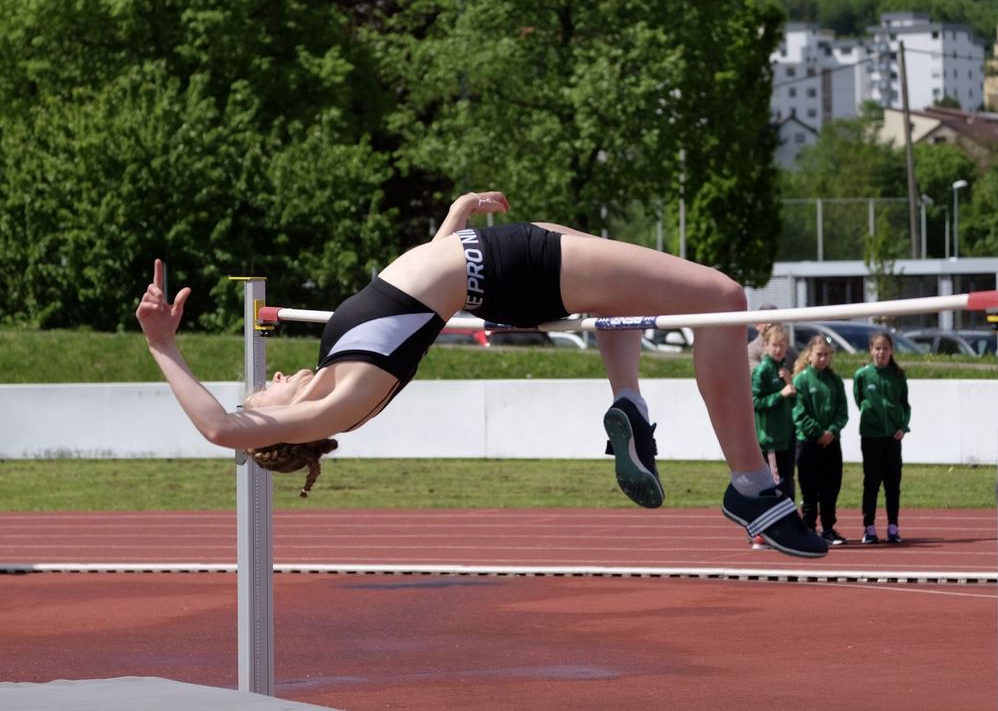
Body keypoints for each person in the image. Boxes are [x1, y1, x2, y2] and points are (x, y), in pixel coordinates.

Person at [135, 191, 828, 558]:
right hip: (502, 269)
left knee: (624, 291)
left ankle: (630, 406)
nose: (271, 375)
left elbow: (413, 297)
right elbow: (220, 425)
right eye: (262, 390)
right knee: (722, 297)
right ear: (274, 427)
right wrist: (164, 346)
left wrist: (449, 225)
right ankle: (753, 489)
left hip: (484, 263)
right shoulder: (342, 403)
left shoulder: (337, 365)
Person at [852, 331, 911, 545]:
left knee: (893, 484)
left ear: (891, 350)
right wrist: (873, 418)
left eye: (885, 348)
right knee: (871, 482)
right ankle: (869, 528)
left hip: (892, 438)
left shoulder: (898, 375)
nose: (881, 353)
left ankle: (893, 527)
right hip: (871, 437)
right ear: (870, 350)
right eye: (877, 348)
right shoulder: (862, 375)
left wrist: (903, 427)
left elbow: (905, 405)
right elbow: (860, 401)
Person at [791, 334, 849, 545]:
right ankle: (808, 528)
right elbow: (798, 412)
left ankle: (828, 528)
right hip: (808, 443)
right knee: (809, 488)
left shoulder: (835, 381)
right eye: (819, 354)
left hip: (831, 443)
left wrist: (831, 432)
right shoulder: (802, 380)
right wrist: (817, 433)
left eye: (827, 355)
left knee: (831, 486)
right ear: (810, 355)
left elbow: (842, 411)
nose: (823, 359)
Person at [751, 324, 797, 504]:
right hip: (770, 438)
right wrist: (780, 395)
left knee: (787, 482)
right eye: (775, 345)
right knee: (773, 484)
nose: (779, 349)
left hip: (786, 436)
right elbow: (755, 402)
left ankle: (790, 522)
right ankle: (768, 527)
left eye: (783, 345)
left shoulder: (784, 370)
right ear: (766, 345)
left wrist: (789, 384)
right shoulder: (762, 370)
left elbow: (793, 402)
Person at [746, 304, 798, 371]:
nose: (769, 324)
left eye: (773, 319)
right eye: (765, 320)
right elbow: (758, 376)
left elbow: (800, 370)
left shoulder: (789, 350)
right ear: (757, 324)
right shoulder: (751, 350)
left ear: (780, 324)